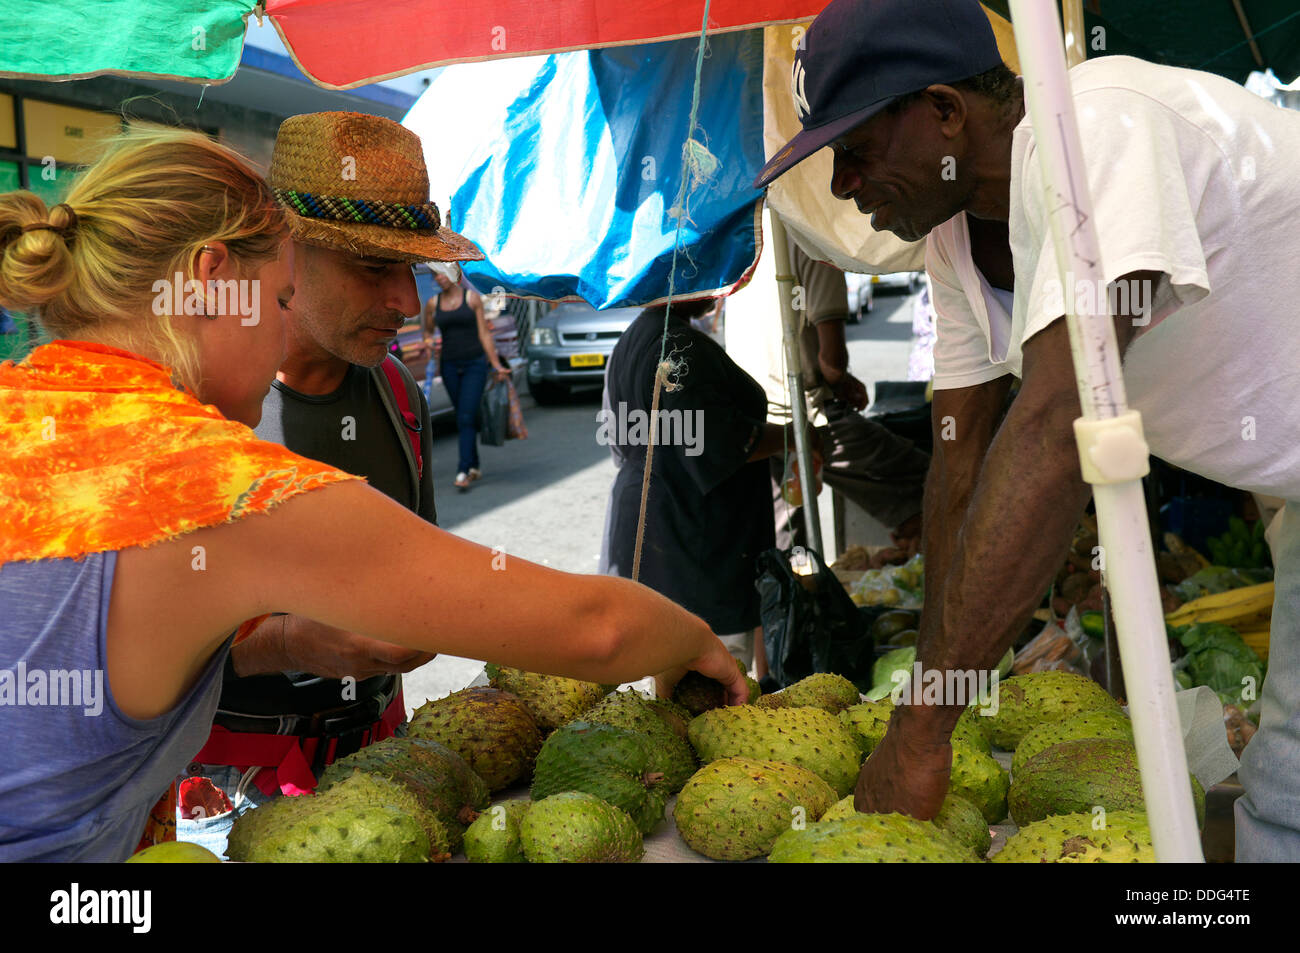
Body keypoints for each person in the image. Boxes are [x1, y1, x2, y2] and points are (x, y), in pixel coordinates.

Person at [0, 128, 748, 862]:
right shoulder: (206, 481)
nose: (403, 300)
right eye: (280, 295)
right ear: (211, 277)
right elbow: (596, 629)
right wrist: (694, 641)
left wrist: (290, 638)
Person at [754, 0, 1300, 861]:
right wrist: (935, 697)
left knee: (1286, 799)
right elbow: (957, 464)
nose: (842, 185)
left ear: (943, 111)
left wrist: (924, 732)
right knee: (1287, 795)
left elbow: (1056, 426)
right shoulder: (954, 242)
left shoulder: (1098, 132)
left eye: (853, 152)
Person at [176, 112, 447, 851]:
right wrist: (286, 643)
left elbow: (423, 567)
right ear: (287, 257)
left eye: (414, 269)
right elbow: (122, 637)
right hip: (228, 785)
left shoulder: (397, 396)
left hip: (382, 758)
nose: (407, 302)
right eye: (374, 268)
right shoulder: (200, 410)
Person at [599, 298, 820, 674]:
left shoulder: (639, 335)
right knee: (703, 676)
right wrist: (796, 435)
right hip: (692, 530)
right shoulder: (679, 347)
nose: (721, 292)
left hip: (655, 512)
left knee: (673, 665)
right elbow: (718, 439)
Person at [775, 240, 927, 553]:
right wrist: (843, 381)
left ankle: (904, 548)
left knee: (790, 537)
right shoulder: (810, 245)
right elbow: (832, 363)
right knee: (933, 475)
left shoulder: (749, 243)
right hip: (812, 418)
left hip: (766, 424)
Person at [421, 264, 509, 490]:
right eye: (435, 275)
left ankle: (463, 470)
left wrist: (496, 364)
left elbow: (484, 333)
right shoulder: (433, 304)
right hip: (449, 365)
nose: (439, 278)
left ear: (453, 274)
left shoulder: (472, 299)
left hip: (474, 364)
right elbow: (427, 332)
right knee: (464, 415)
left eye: (442, 273)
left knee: (466, 415)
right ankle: (474, 464)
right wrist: (430, 343)